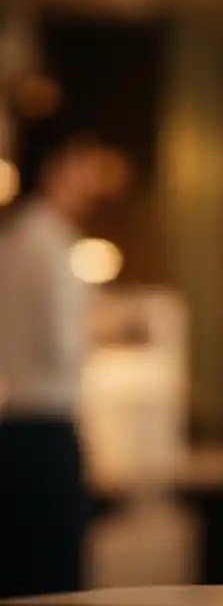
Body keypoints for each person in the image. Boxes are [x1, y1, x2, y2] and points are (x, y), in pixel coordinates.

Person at [0, 124, 124, 597]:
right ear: (57, 168)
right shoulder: (51, 245)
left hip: (12, 429)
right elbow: (62, 346)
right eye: (83, 165)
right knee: (56, 585)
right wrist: (100, 328)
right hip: (47, 432)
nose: (91, 179)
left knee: (16, 578)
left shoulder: (12, 239)